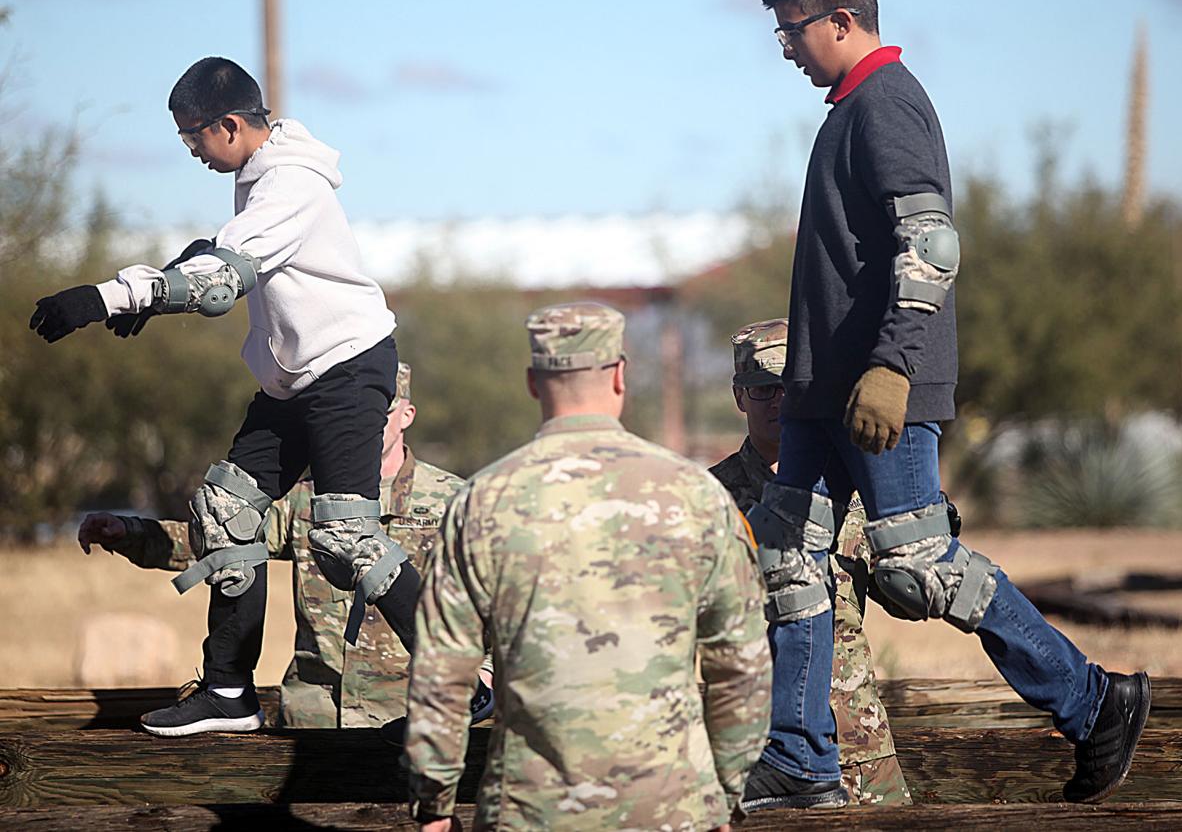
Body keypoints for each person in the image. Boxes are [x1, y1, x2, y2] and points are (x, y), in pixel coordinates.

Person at [741, 0, 1150, 810]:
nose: (787, 51)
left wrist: (892, 365)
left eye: (792, 34)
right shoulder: (846, 109)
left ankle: (1093, 700)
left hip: (880, 391)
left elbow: (931, 244)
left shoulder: (887, 103)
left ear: (841, 21)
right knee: (791, 557)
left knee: (918, 566)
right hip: (824, 393)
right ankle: (804, 759)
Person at [31, 57, 425, 736]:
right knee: (224, 510)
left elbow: (220, 284)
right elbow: (224, 255)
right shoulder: (260, 181)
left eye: (193, 138)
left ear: (231, 125)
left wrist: (104, 297)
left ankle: (463, 673)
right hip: (293, 381)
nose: (191, 151)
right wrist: (165, 289)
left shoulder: (290, 184)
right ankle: (227, 692)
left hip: (348, 370)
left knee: (344, 538)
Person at [404, 302, 772, 832]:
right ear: (620, 375)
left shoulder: (482, 501)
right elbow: (740, 662)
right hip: (672, 805)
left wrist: (433, 801)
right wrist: (725, 790)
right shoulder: (695, 494)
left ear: (534, 382)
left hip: (532, 810)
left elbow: (443, 669)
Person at [78, 363, 493, 728]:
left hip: (408, 721)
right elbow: (219, 541)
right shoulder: (303, 498)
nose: (365, 422)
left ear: (407, 415)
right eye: (354, 411)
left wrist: (485, 679)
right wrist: (130, 533)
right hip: (313, 722)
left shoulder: (454, 501)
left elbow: (500, 601)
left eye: (378, 412)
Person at [709, 318, 909, 805]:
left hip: (859, 750)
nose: (779, 402)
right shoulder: (707, 502)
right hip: (758, 761)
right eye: (762, 390)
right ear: (739, 397)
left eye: (789, 387)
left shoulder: (850, 489)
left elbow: (906, 602)